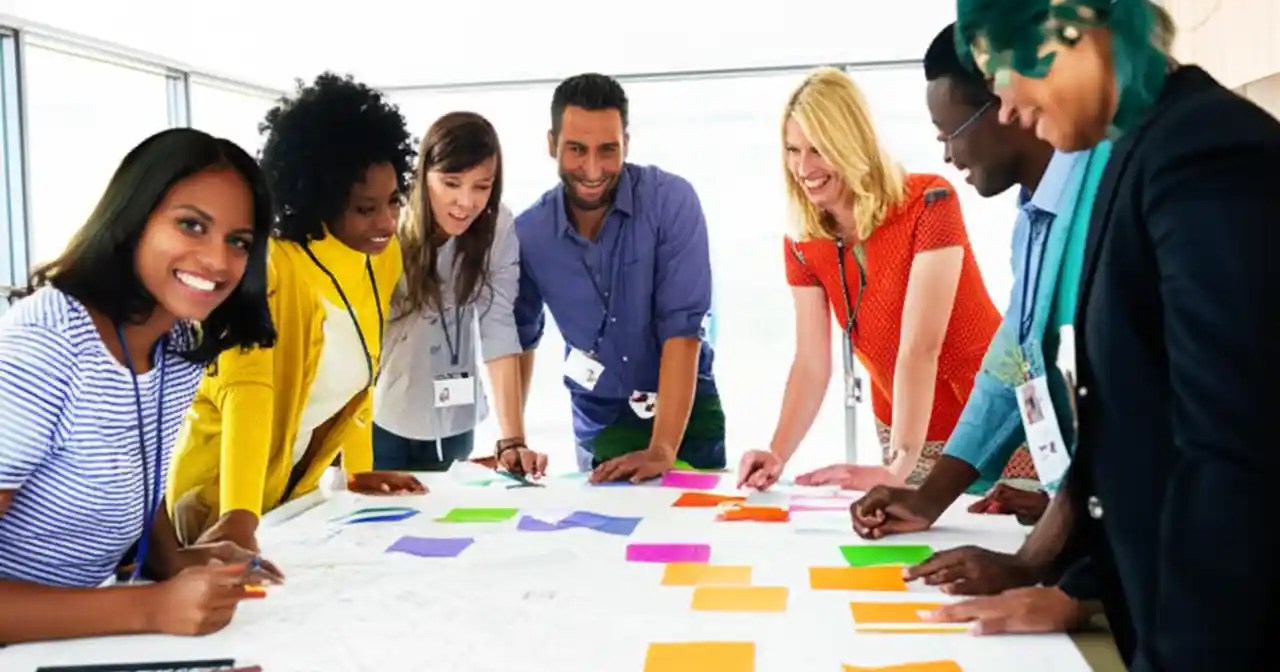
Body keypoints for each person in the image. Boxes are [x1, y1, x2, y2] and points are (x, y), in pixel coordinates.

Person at [921, 0, 1280, 670]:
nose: (1009, 109)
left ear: (1069, 29)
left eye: (1002, 77)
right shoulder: (1128, 155)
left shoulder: (1205, 149)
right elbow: (1126, 419)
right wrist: (1067, 579)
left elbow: (1232, 451)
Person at [0, 129, 283, 643]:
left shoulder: (174, 346)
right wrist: (151, 607)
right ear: (132, 221)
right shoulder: (44, 348)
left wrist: (175, 560)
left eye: (238, 241)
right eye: (191, 225)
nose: (218, 262)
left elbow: (128, 471)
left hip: (73, 645)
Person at [850, 23, 1115, 540]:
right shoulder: (1034, 216)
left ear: (1007, 104)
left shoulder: (1108, 189)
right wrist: (928, 498)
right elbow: (1015, 360)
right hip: (1094, 520)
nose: (949, 155)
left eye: (950, 133)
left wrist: (1040, 556)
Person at [168, 73, 426, 553]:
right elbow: (248, 391)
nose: (387, 223)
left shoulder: (380, 257)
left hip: (293, 495)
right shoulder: (272, 266)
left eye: (394, 201)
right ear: (322, 199)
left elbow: (359, 388)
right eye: (366, 208)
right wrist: (238, 515)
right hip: (218, 496)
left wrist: (358, 473)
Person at [737, 67, 1002, 492]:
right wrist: (778, 453)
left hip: (990, 422)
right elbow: (811, 362)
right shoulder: (803, 241)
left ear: (851, 143)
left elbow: (920, 347)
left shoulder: (930, 202)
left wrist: (897, 468)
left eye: (818, 150)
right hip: (906, 433)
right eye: (792, 150)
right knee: (915, 555)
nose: (803, 168)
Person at [514, 73, 721, 483]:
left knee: (695, 539)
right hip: (600, 416)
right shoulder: (528, 234)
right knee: (604, 539)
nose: (593, 169)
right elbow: (517, 338)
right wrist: (513, 439)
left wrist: (662, 449)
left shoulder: (671, 202)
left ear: (626, 142)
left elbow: (683, 329)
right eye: (576, 149)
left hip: (687, 410)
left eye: (608, 150)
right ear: (552, 143)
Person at [374, 112, 546, 475]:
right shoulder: (388, 225)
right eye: (451, 183)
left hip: (457, 417)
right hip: (384, 416)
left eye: (481, 186)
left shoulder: (497, 227)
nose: (466, 202)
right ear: (424, 177)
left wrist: (513, 439)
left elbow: (498, 324)